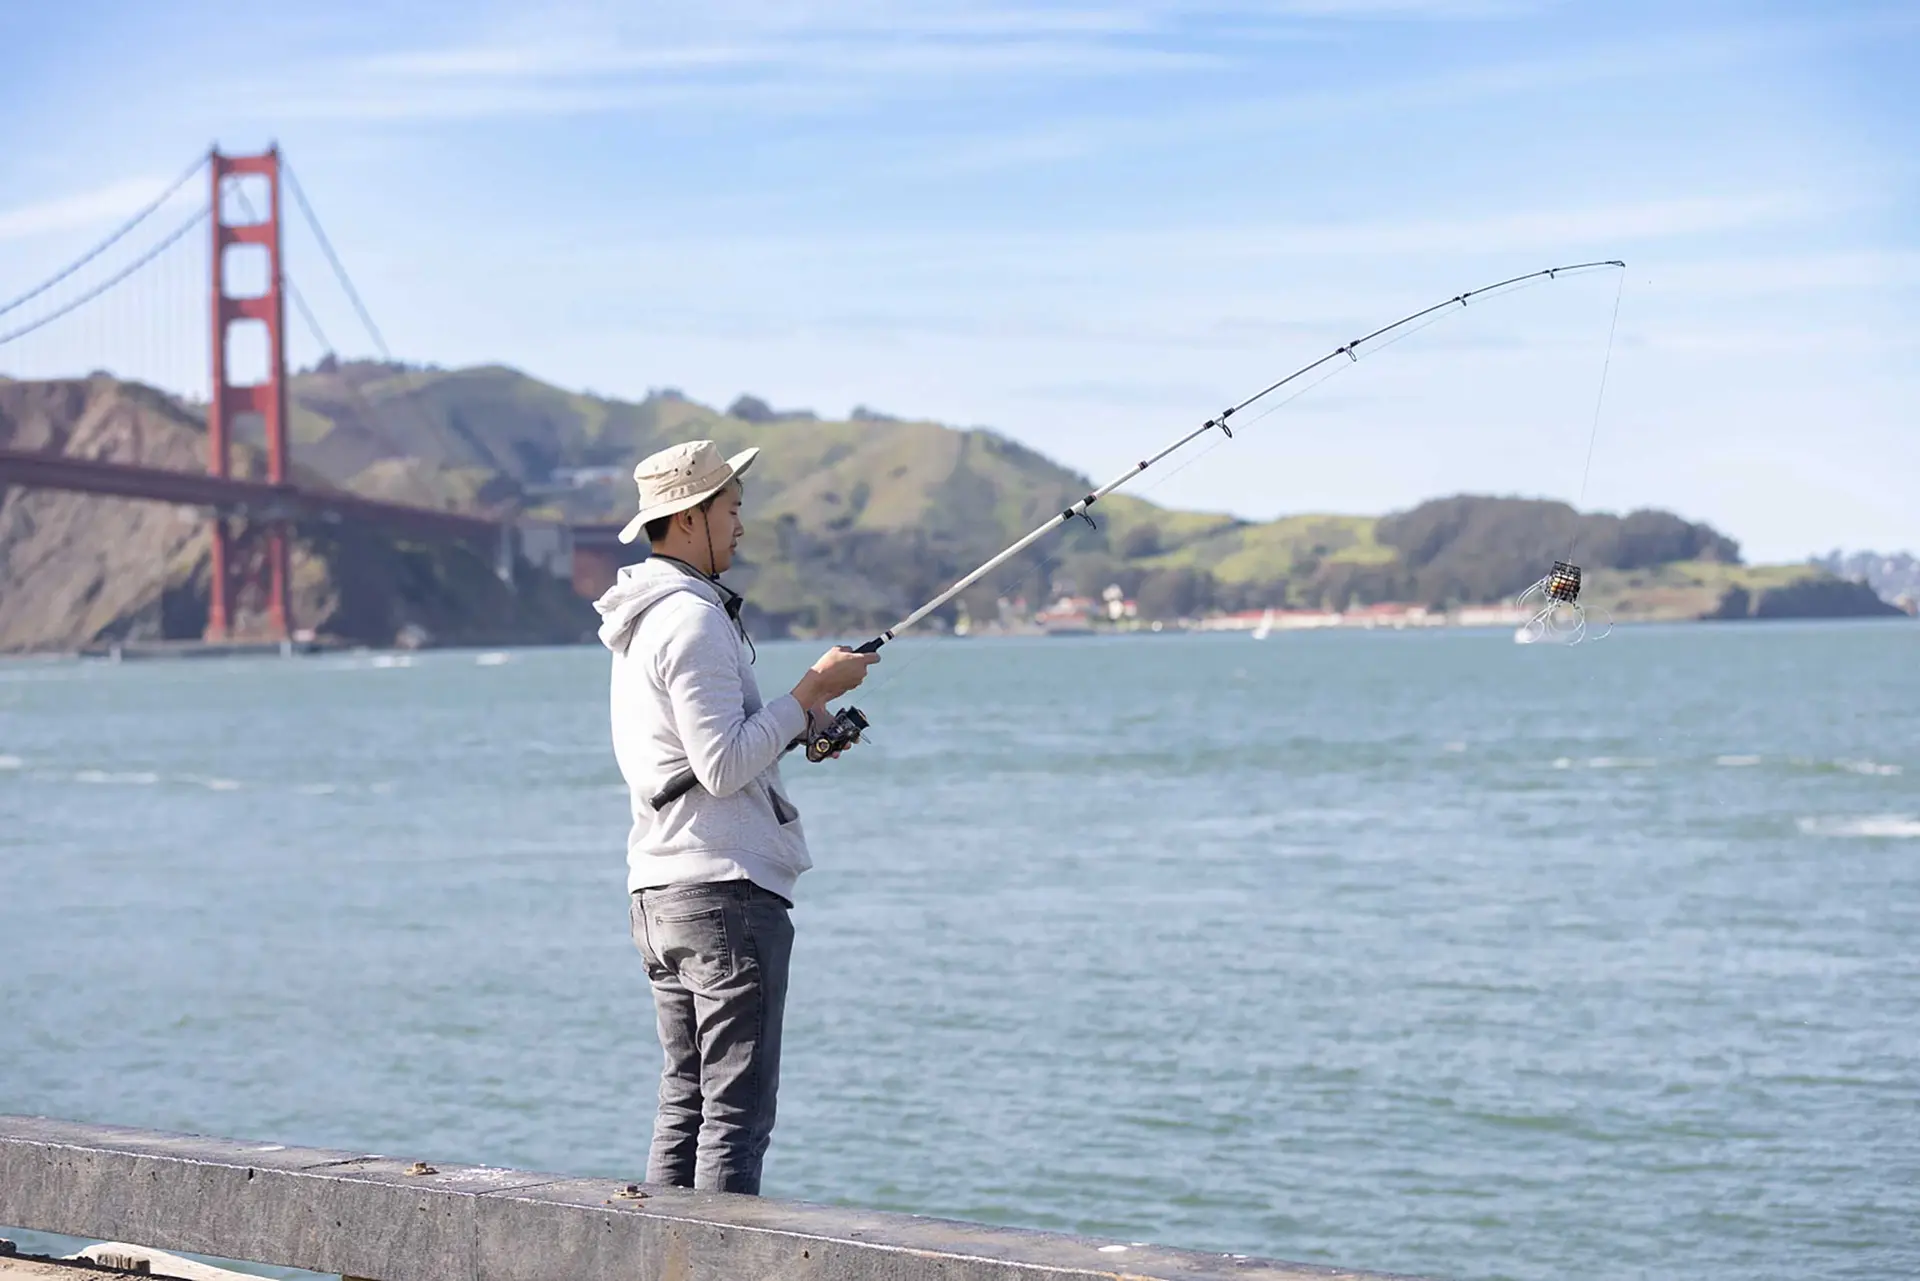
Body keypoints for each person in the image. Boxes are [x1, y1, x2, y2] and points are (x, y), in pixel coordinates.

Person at [594, 438, 876, 1196]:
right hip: (723, 893)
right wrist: (810, 689)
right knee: (734, 1117)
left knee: (685, 1102)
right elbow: (721, 764)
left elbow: (700, 754)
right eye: (732, 508)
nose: (741, 524)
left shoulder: (642, 622)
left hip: (662, 891)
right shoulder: (691, 622)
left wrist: (800, 718)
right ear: (690, 520)